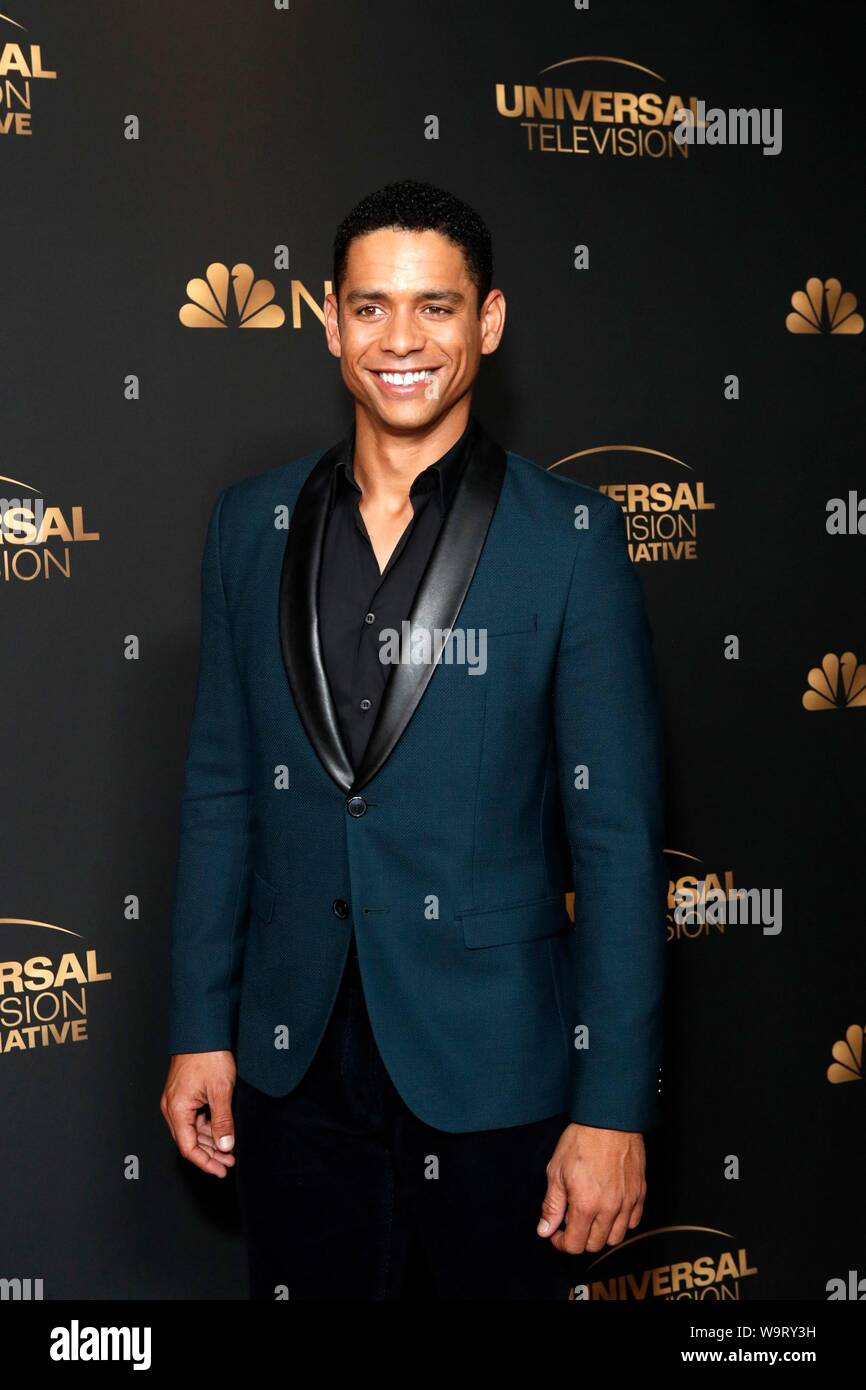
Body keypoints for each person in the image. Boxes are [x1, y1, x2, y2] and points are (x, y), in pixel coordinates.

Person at [160, 178, 667, 1300]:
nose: (402, 340)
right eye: (373, 306)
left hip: (498, 1071)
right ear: (328, 320)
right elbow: (221, 790)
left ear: (485, 322)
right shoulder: (251, 524)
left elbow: (618, 844)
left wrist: (612, 1106)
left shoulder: (572, 538)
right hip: (291, 1070)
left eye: (436, 308)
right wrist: (201, 1024)